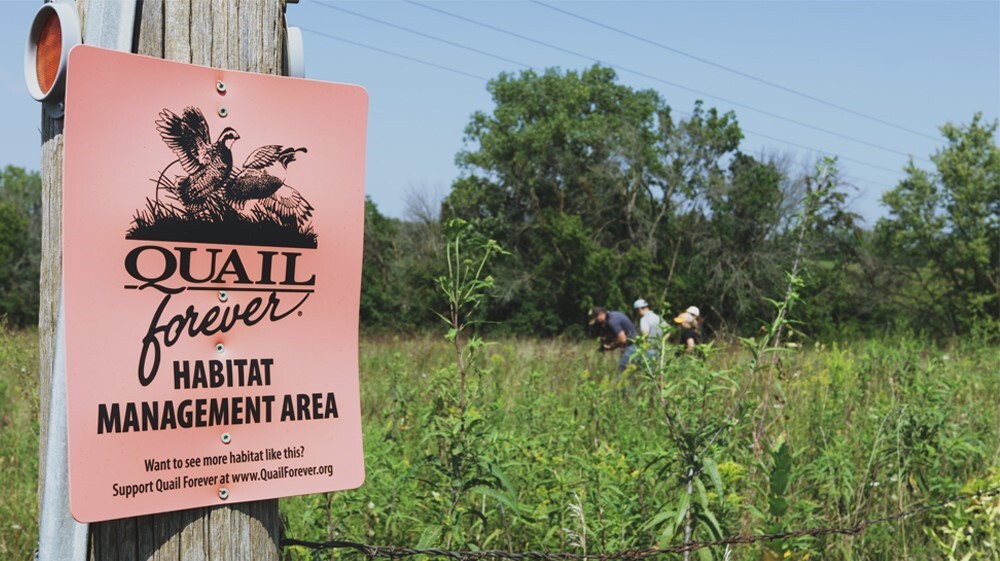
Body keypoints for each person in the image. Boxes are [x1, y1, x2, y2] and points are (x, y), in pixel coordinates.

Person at [589, 306, 638, 373]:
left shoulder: (612, 321)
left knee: (622, 369)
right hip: (634, 344)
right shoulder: (613, 315)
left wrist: (611, 346)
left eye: (596, 320)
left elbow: (622, 339)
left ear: (600, 314)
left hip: (632, 346)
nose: (597, 322)